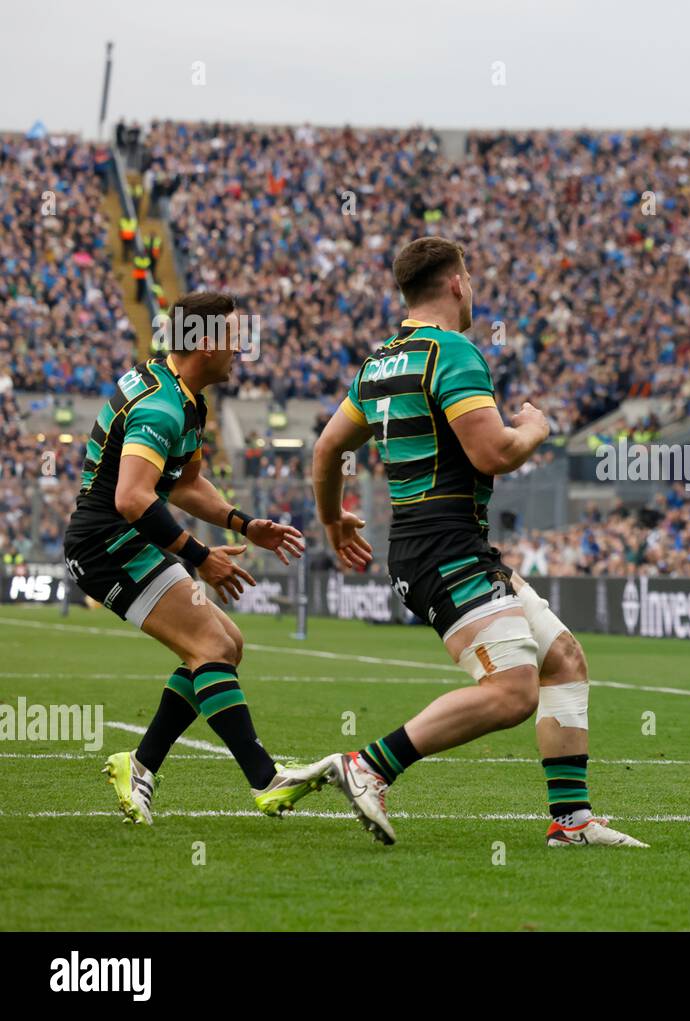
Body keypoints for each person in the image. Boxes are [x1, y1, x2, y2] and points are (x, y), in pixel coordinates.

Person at [306, 236, 645, 848]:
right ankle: (370, 765)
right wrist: (534, 429)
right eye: (471, 278)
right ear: (458, 284)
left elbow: (328, 449)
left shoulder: (378, 362)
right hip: (446, 547)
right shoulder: (453, 351)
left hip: (434, 544)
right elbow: (494, 451)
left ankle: (571, 822)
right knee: (512, 692)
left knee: (563, 659)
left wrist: (332, 521)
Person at [65, 291, 320, 825]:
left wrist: (244, 523)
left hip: (121, 538)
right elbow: (132, 498)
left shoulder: (182, 395)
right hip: (106, 545)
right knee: (210, 644)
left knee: (227, 643)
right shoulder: (162, 405)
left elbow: (183, 485)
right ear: (203, 343)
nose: (240, 351)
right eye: (234, 337)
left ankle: (138, 764)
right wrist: (201, 556)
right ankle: (265, 779)